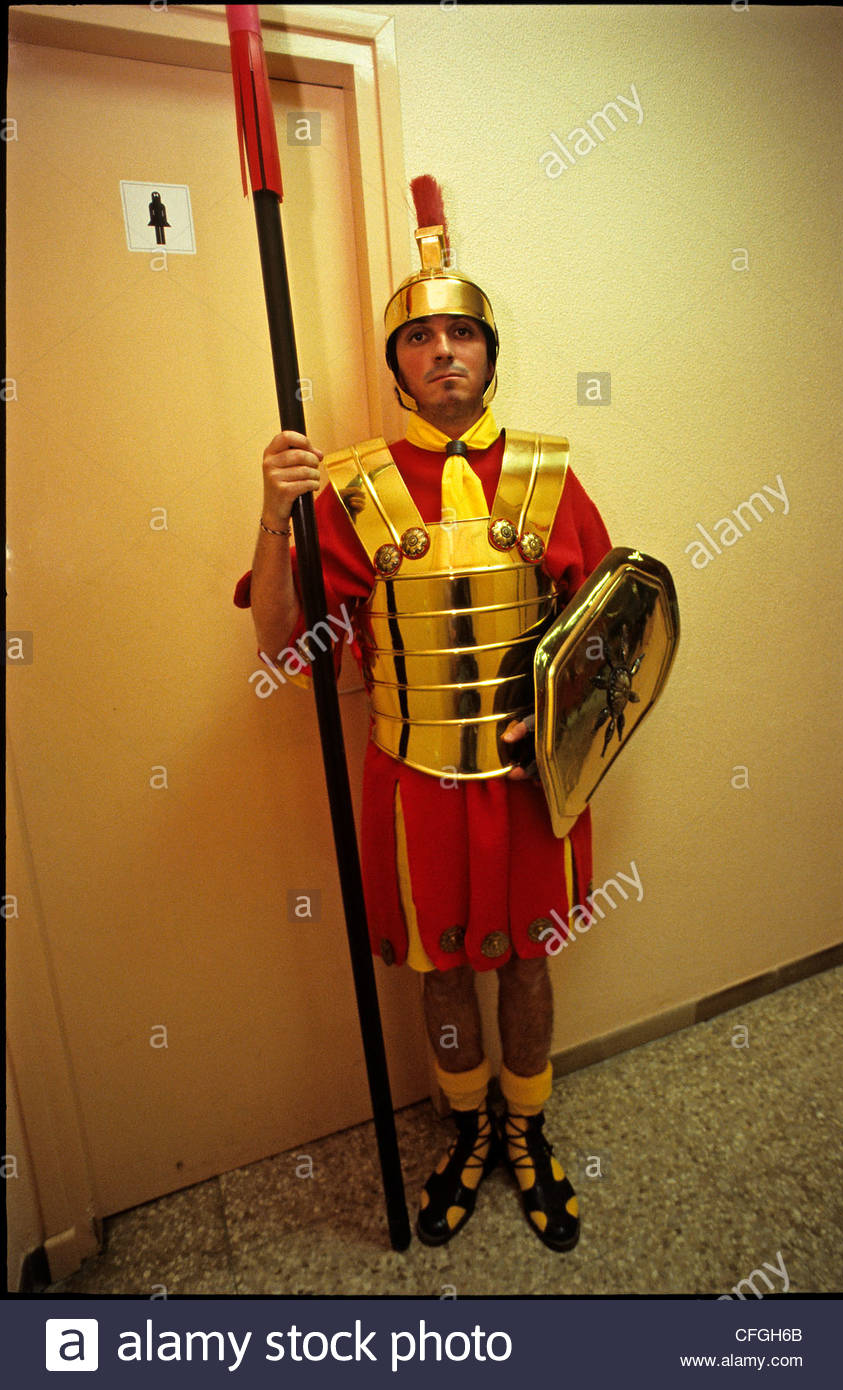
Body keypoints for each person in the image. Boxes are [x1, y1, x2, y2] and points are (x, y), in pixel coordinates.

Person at [234, 178, 612, 1252]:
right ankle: (464, 1128)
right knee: (442, 961)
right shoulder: (350, 488)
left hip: (532, 780)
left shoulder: (550, 473)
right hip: (410, 782)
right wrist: (274, 516)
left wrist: (557, 730)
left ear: (489, 354)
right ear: (398, 359)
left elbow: (611, 641)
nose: (444, 351)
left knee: (528, 958)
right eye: (420, 335)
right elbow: (278, 641)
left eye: (463, 333)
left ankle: (528, 1130)